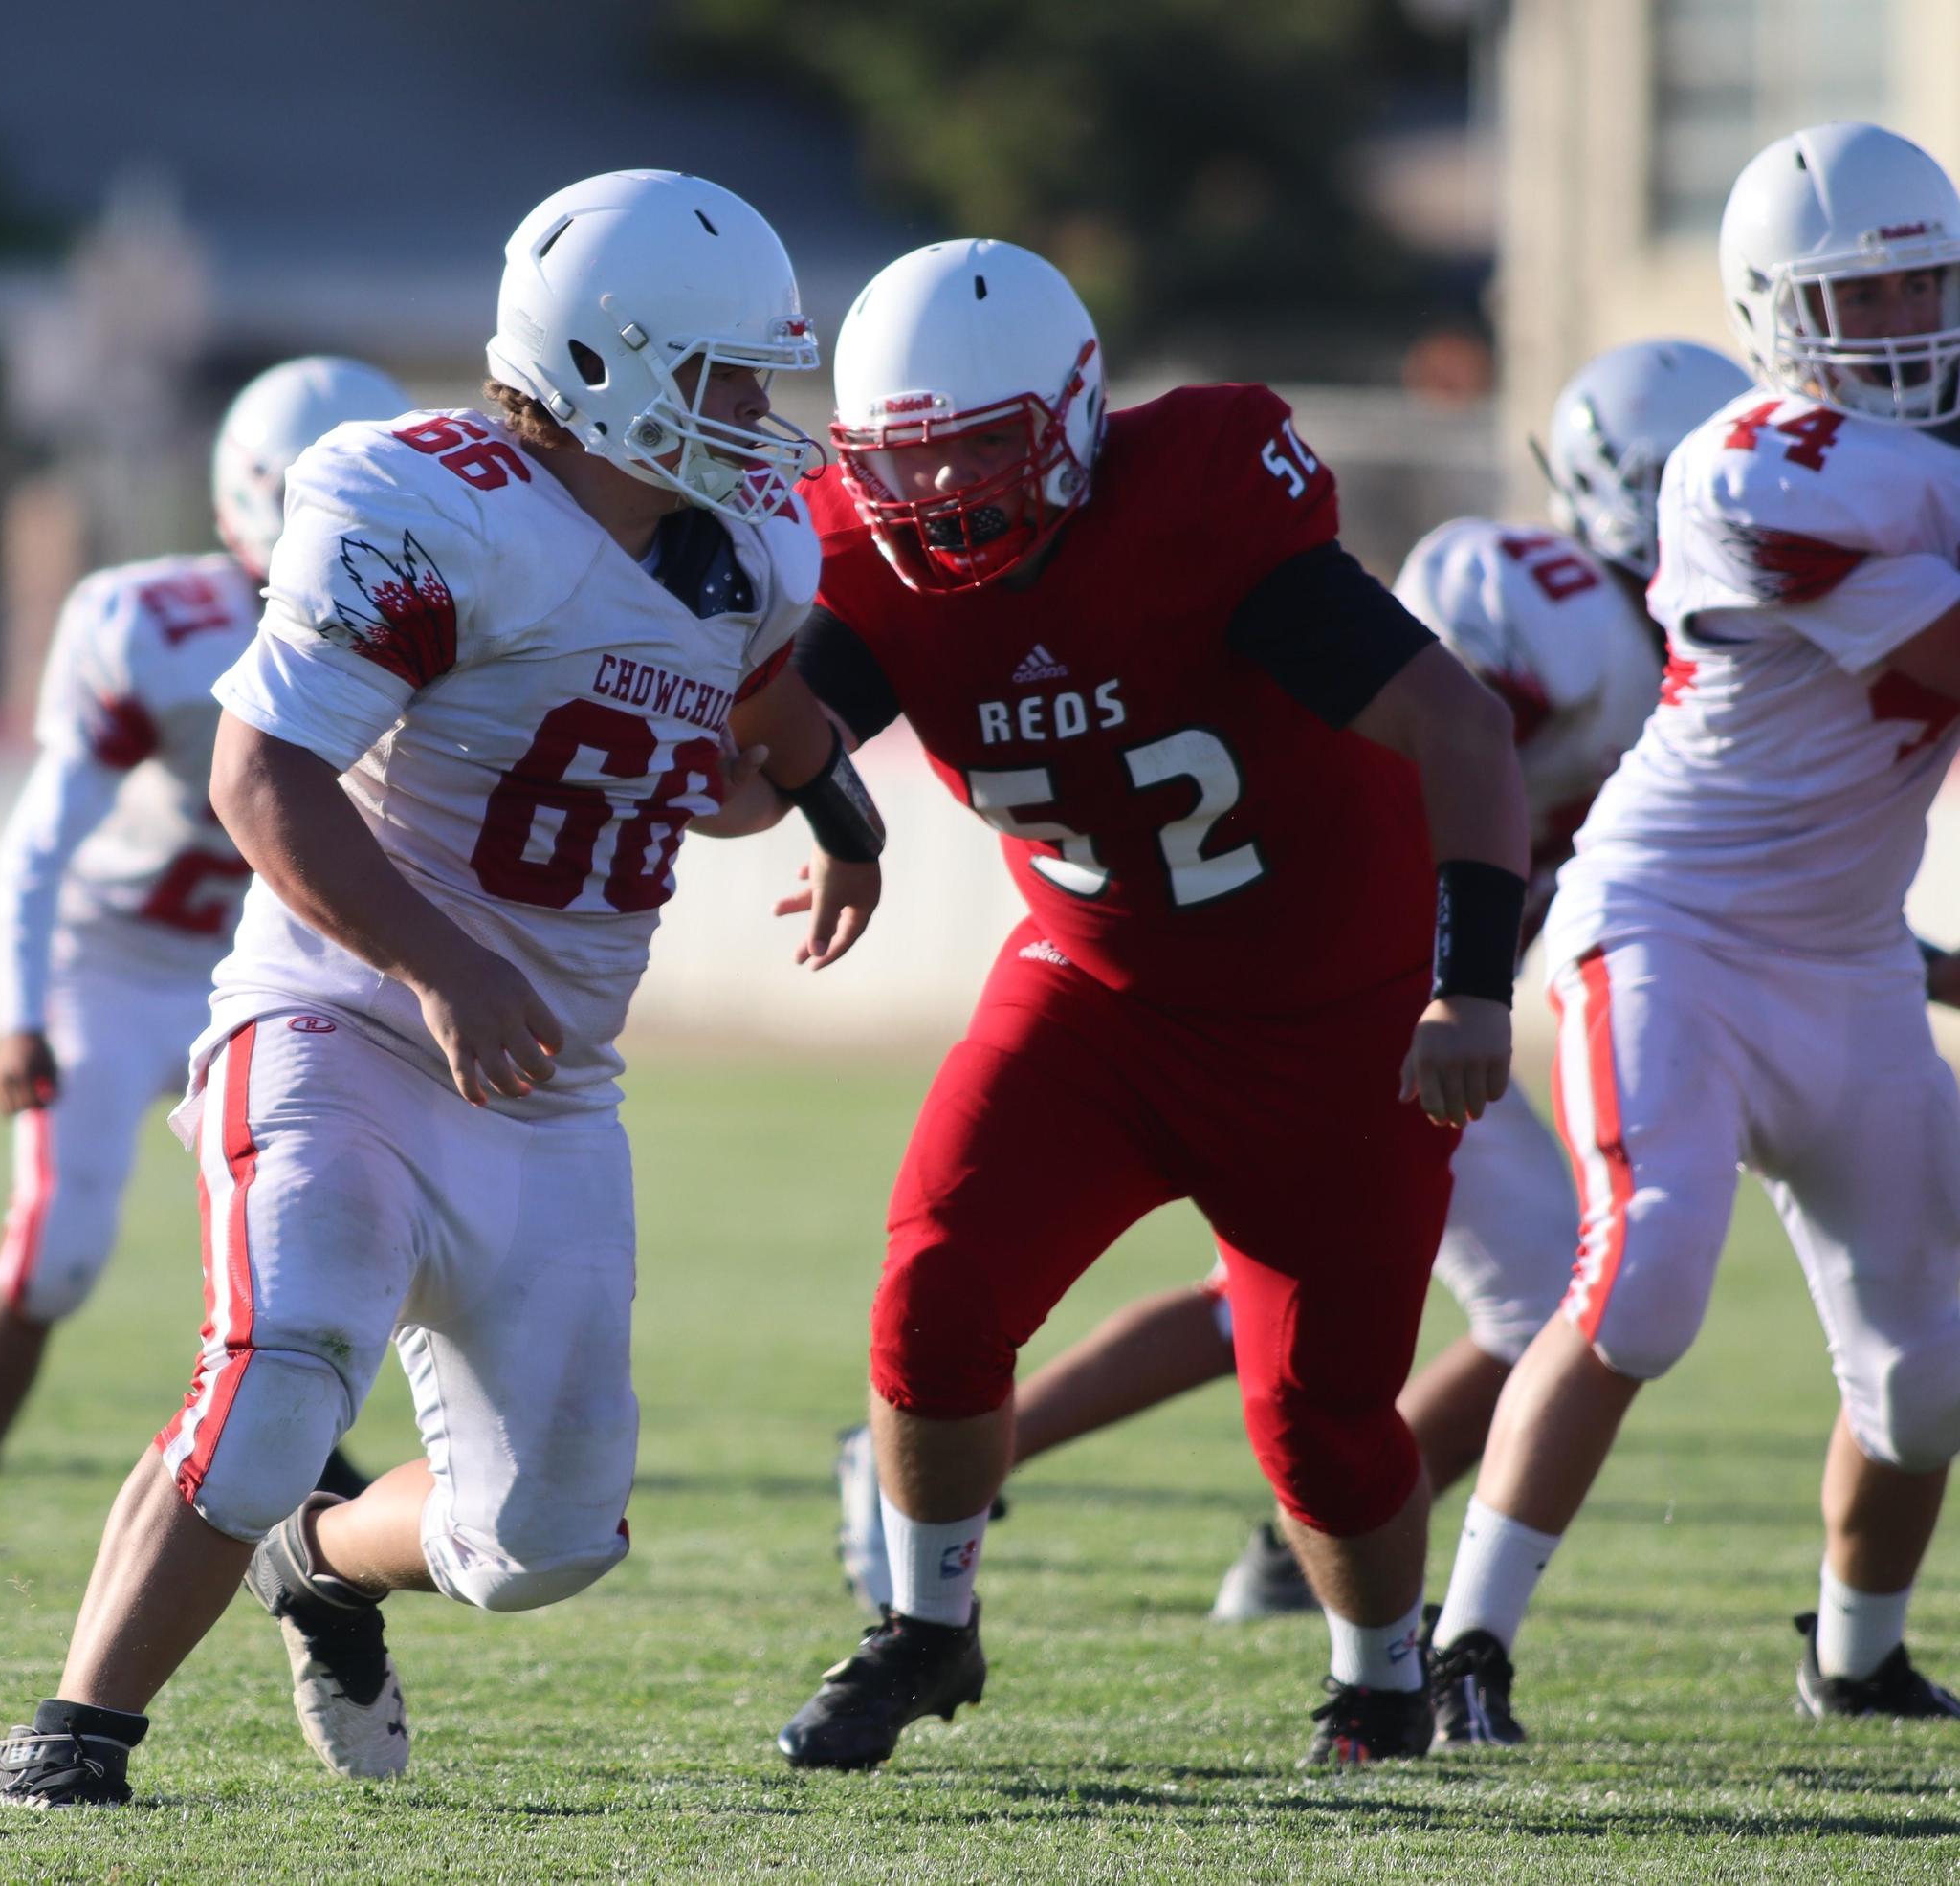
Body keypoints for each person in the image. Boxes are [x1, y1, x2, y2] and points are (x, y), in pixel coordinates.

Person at [0, 169, 883, 1808]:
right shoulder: (427, 498)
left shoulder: (742, 540)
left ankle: (321, 1563)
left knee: (544, 1541)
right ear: (604, 364)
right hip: (345, 1010)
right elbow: (265, 778)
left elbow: (762, 710)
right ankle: (79, 1726)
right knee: (274, 1374)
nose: (760, 411)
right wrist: (445, 961)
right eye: (726, 375)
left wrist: (844, 819)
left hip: (550, 1080)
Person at [829, 339, 1757, 1625]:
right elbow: (1430, 747)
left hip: (1398, 991)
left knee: (1277, 1304)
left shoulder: (1708, 649)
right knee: (1530, 1289)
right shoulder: (1551, 610)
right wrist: (1463, 979)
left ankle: (1120, 1494)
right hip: (1367, 987)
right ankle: (1291, 1551)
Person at [758, 237, 1529, 1770]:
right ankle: (926, 1630)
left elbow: (1461, 725)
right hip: (1098, 997)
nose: (941, 493)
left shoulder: (1198, 509)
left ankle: (1380, 1680)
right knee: (936, 1290)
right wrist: (789, 777)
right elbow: (763, 760)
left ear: (1074, 415)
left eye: (977, 445)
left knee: (1320, 1417)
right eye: (901, 460)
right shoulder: (858, 558)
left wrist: (1469, 986)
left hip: (1333, 1019)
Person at [1426, 120, 1960, 1749]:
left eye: (1928, 287)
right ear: (1777, 317)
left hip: (1849, 952)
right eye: (1862, 304)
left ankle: (1857, 1653)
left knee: (1929, 1357)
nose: (1906, 331)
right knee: (1646, 1270)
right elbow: (1939, 668)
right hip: (1668, 930)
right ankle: (1463, 1650)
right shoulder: (1750, 468)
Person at [0, 357, 407, 1561]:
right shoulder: (153, 624)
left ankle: (304, 1468)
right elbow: (38, 841)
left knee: (300, 1222)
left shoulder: (422, 633)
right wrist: (20, 1013)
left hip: (252, 968)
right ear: (255, 497)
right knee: (58, 1254)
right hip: (107, 965)